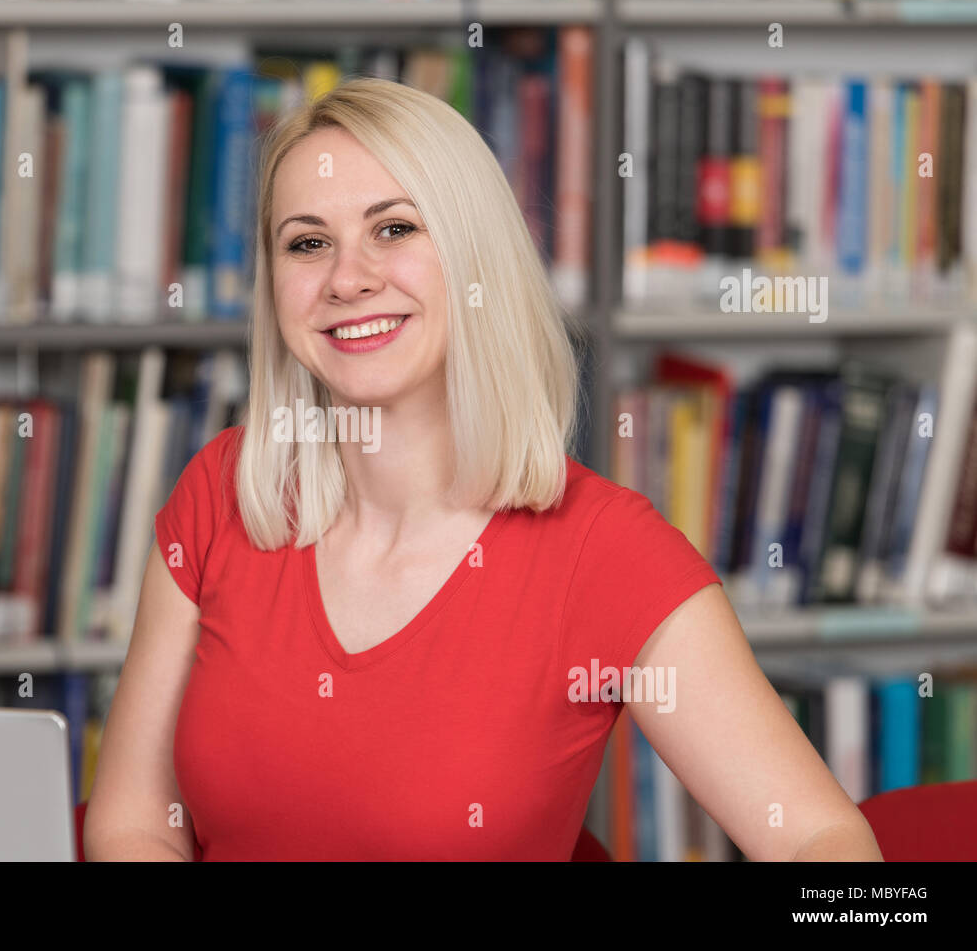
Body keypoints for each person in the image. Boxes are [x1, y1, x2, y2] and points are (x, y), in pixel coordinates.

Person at [84, 77, 882, 861]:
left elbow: (820, 837)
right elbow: (134, 824)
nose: (348, 278)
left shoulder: (603, 552)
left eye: (394, 229)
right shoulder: (222, 493)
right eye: (307, 242)